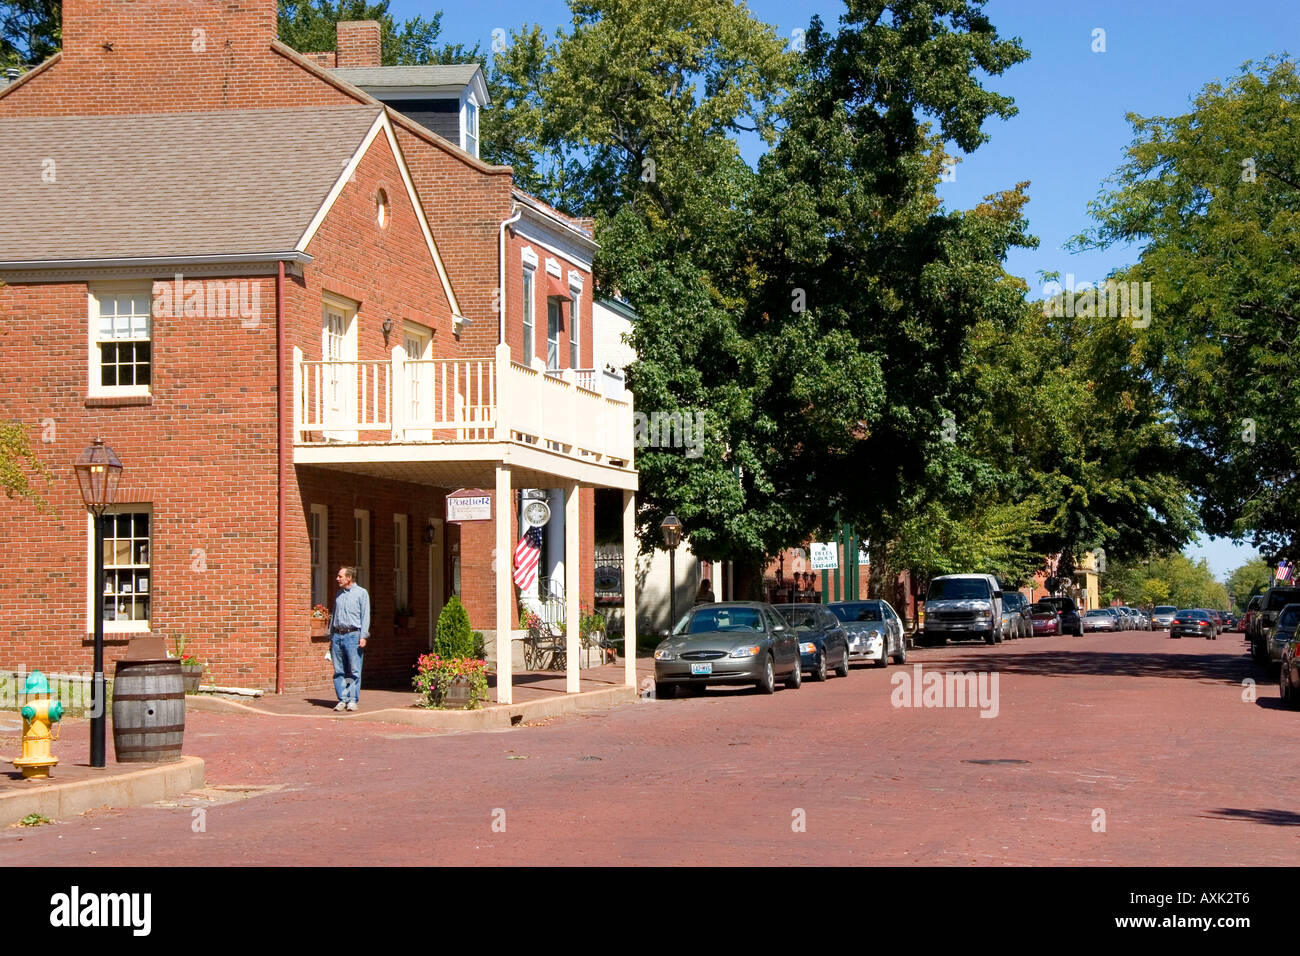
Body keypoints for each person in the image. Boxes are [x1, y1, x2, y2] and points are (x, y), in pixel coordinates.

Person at [330, 566, 370, 712]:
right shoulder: (339, 594)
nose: (337, 579)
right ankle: (342, 699)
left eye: (340, 576)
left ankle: (352, 700)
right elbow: (334, 616)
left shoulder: (361, 593)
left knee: (353, 670)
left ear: (349, 578)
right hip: (337, 635)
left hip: (353, 635)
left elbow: (365, 616)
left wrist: (363, 636)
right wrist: (331, 636)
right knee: (339, 670)